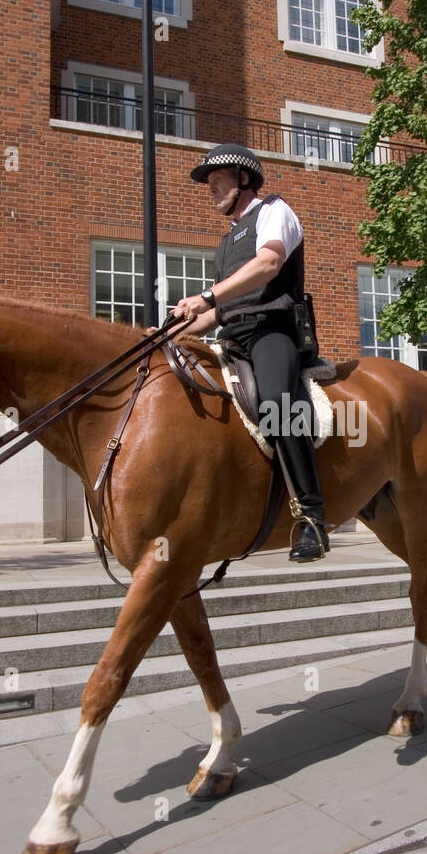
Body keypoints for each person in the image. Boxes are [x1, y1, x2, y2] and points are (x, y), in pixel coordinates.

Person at [170, 143, 329, 561]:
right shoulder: (224, 245)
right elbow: (216, 313)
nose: (211, 190)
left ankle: (312, 517)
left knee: (278, 403)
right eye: (208, 185)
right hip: (233, 337)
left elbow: (268, 265)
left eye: (217, 181)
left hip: (271, 331)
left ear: (243, 179)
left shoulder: (274, 210)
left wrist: (205, 296)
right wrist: (170, 333)